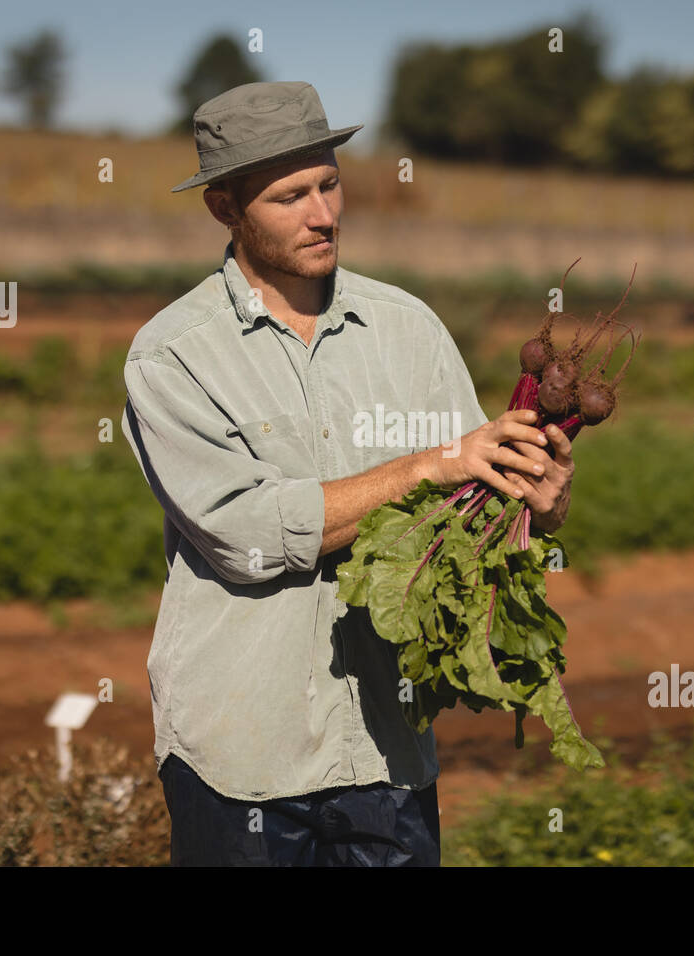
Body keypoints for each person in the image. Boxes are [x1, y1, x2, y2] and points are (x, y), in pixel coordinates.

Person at [120, 81, 574, 866]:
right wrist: (434, 463)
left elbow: (471, 512)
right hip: (240, 753)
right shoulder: (173, 355)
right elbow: (249, 536)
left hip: (384, 747)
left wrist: (533, 505)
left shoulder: (410, 330)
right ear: (224, 208)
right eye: (290, 196)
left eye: (329, 184)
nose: (322, 214)